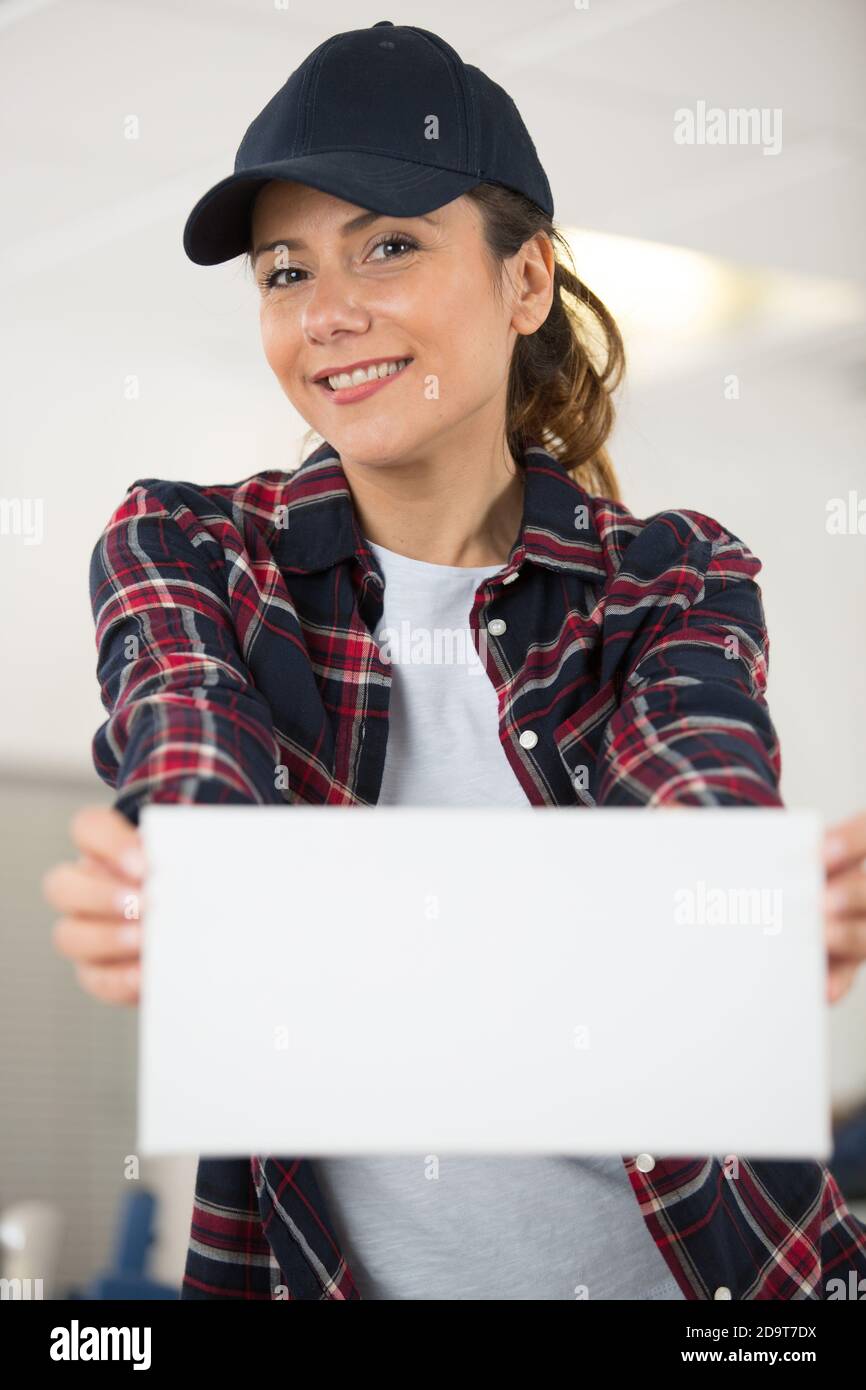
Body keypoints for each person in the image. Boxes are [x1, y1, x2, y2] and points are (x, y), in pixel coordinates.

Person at [42, 21, 866, 1300]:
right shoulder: (191, 547)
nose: (328, 314)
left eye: (387, 245)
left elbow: (693, 807)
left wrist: (731, 917)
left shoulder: (673, 575)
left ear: (524, 282)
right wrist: (188, 898)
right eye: (282, 271)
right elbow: (194, 765)